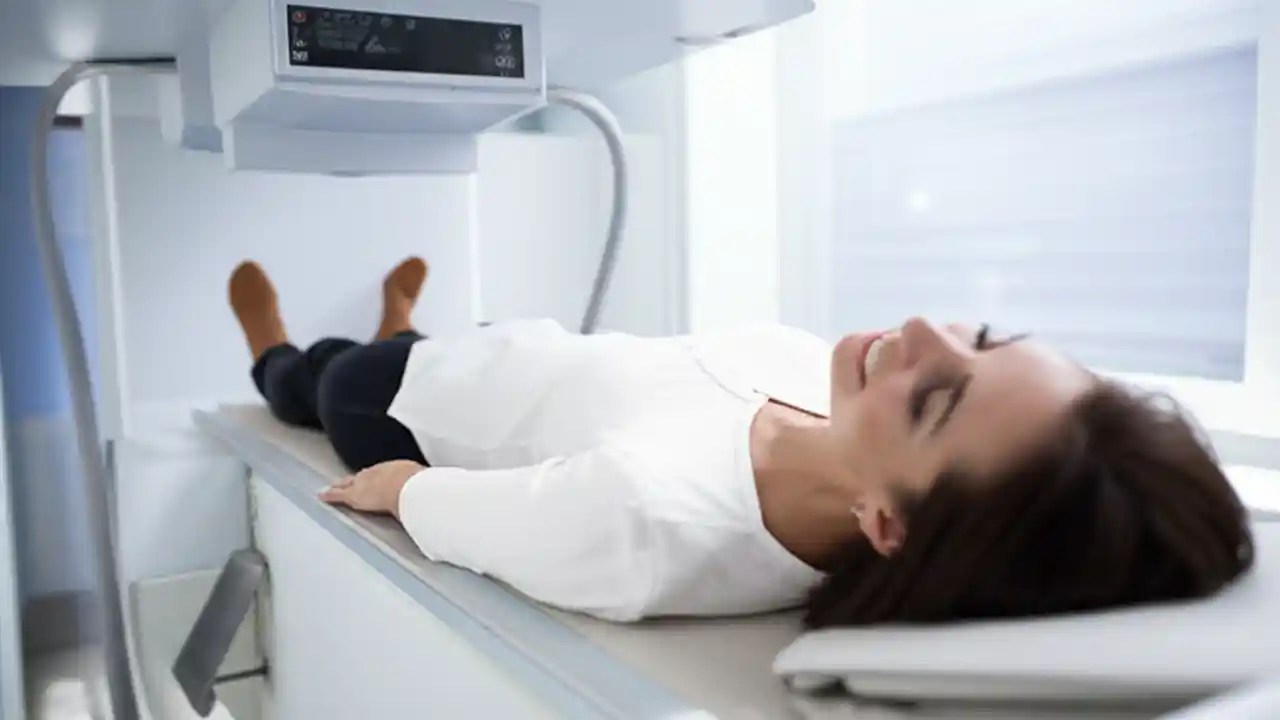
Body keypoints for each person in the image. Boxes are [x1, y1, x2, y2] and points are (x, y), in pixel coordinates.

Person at [228, 257, 1255, 625]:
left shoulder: (651, 521)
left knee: (316, 383)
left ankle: (274, 344)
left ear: (887, 523)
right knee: (430, 337)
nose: (925, 332)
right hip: (510, 349)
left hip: (418, 400)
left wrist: (402, 490)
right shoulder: (823, 378)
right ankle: (403, 311)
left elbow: (500, 519)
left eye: (934, 398)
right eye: (983, 339)